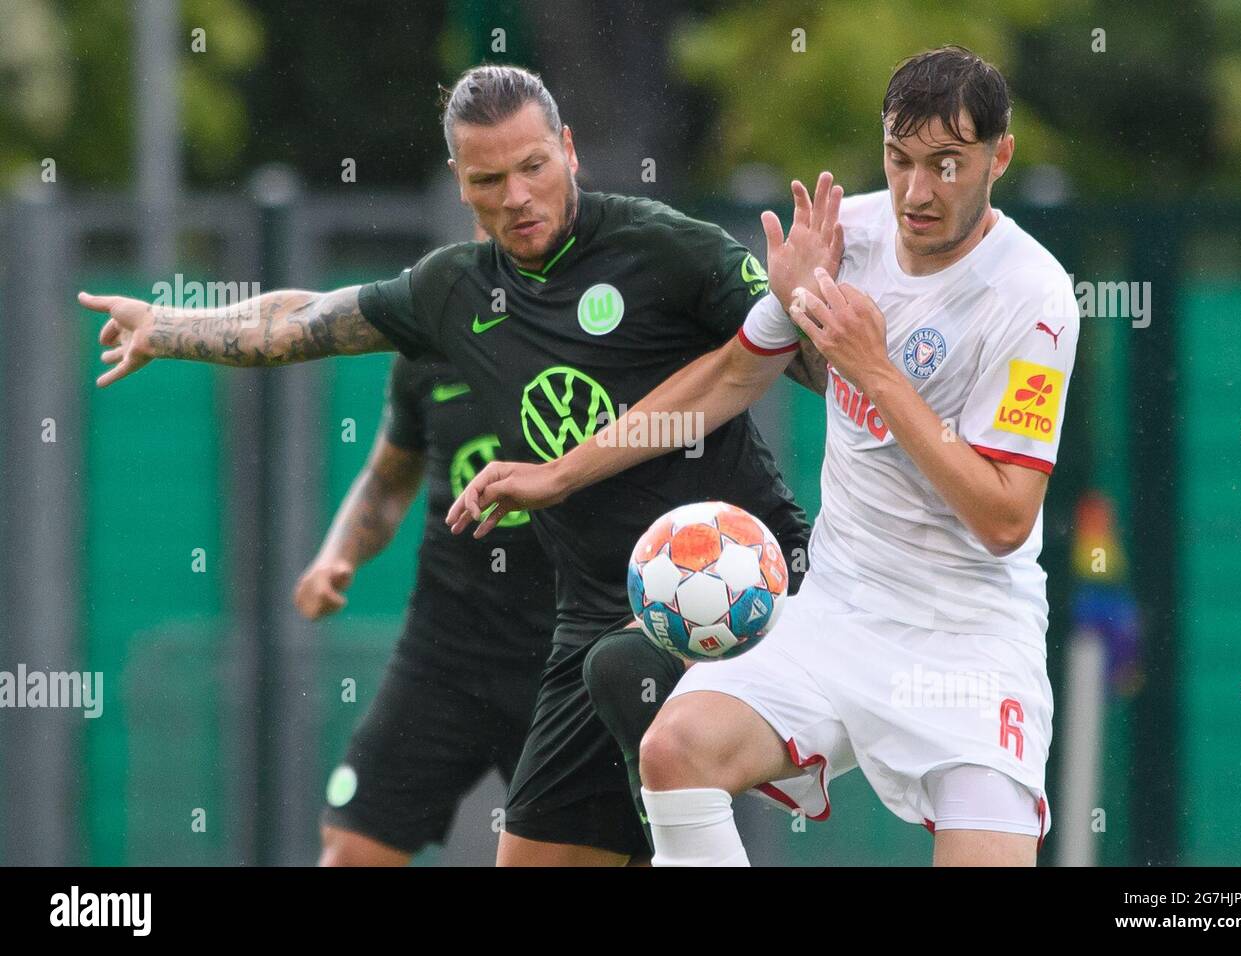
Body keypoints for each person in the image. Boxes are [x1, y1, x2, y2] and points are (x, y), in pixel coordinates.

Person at [79, 63, 834, 866]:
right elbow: (301, 318)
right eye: (490, 179)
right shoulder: (451, 293)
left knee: (637, 685)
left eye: (534, 168)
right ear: (459, 184)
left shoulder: (666, 247)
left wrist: (804, 302)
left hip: (736, 585)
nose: (517, 197)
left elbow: (813, 370)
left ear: (569, 150)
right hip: (585, 620)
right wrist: (166, 324)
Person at [448, 47, 1080, 867]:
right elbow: (730, 375)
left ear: (999, 157)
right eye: (899, 160)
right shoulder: (841, 237)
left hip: (969, 641)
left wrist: (875, 370)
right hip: (840, 608)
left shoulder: (1033, 297)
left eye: (947, 165)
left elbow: (1003, 518)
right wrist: (559, 473)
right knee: (675, 750)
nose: (917, 193)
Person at [299, 353, 554, 865]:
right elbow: (387, 479)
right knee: (351, 849)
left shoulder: (596, 331)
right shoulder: (428, 331)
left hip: (567, 663)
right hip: (443, 656)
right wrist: (336, 555)